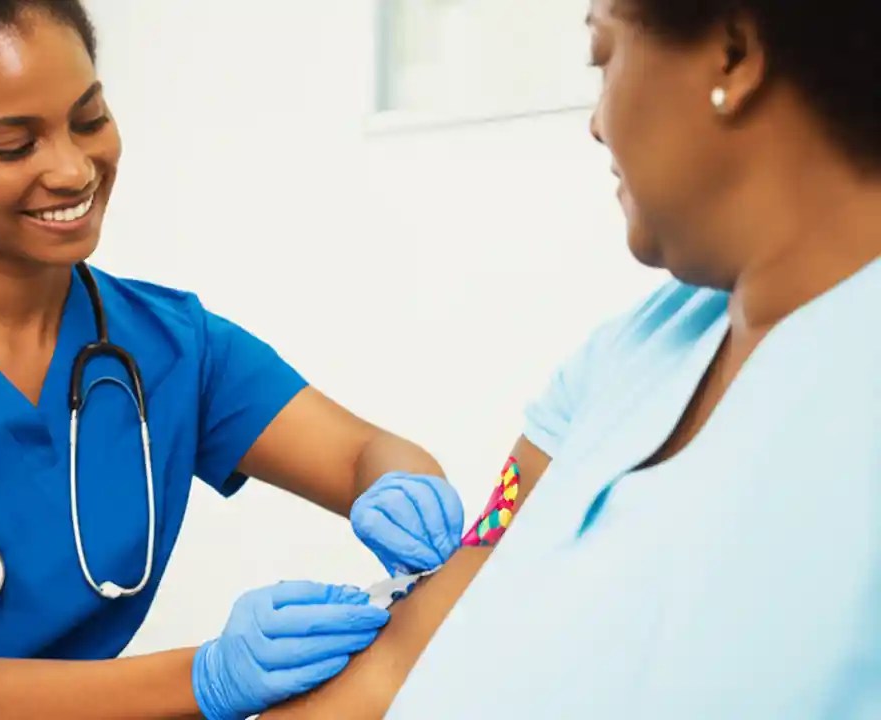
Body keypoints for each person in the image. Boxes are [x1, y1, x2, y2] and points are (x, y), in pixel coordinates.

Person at [0, 2, 469, 718]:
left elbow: (363, 452)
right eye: (15, 144)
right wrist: (207, 675)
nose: (73, 169)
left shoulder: (170, 346)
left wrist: (402, 484)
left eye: (89, 119)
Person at [260, 0, 881, 717]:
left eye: (604, 57)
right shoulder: (633, 351)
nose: (596, 123)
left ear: (734, 55)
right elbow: (405, 651)